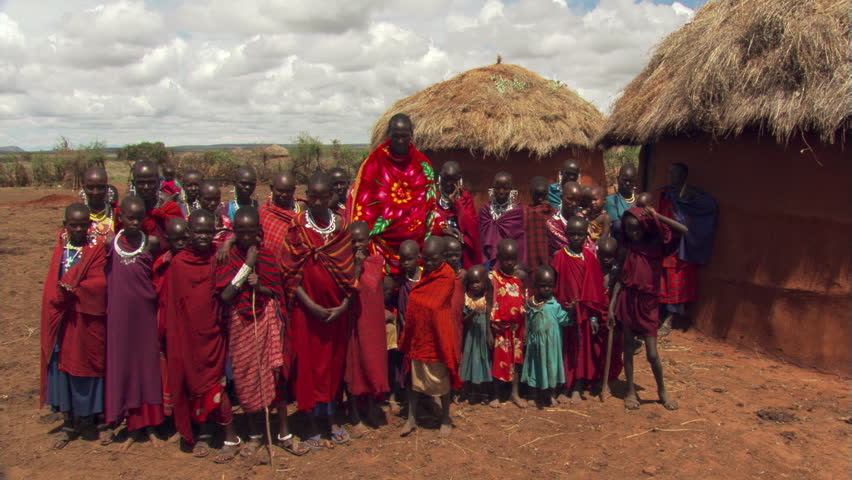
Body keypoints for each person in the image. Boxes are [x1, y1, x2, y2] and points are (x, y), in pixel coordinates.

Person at [217, 206, 308, 459]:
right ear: (234, 231)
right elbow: (226, 295)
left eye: (251, 231)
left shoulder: (267, 256)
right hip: (241, 324)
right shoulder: (227, 256)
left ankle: (284, 433)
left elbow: (277, 292)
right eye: (241, 232)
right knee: (246, 379)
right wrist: (247, 267)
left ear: (259, 230)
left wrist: (261, 287)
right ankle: (255, 435)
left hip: (266, 323)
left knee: (275, 376)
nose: (246, 237)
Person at [280, 173, 355, 449]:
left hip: (336, 312)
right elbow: (288, 271)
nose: (318, 202)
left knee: (333, 365)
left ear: (331, 196)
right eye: (313, 196)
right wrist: (311, 306)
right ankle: (310, 422)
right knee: (309, 367)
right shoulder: (297, 226)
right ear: (307, 195)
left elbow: (349, 269)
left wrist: (343, 305)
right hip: (307, 313)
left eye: (323, 197)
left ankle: (331, 419)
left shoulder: (342, 226)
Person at [165, 209, 239, 462]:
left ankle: (231, 436)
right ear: (189, 233)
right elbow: (174, 306)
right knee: (195, 387)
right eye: (198, 232)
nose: (204, 237)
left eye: (208, 232)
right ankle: (205, 433)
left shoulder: (219, 257)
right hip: (189, 336)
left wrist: (227, 243)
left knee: (216, 386)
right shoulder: (178, 264)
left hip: (214, 335)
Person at [40, 203, 108, 449]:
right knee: (62, 365)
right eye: (73, 225)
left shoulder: (97, 249)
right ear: (65, 225)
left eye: (82, 225)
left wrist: (74, 287)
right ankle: (69, 421)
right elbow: (52, 284)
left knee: (92, 363)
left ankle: (97, 418)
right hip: (64, 318)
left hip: (87, 319)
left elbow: (100, 283)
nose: (78, 229)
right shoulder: (60, 249)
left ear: (89, 226)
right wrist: (61, 294)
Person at [611, 206, 687, 411]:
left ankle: (662, 391)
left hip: (648, 303)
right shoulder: (628, 249)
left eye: (636, 229)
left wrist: (657, 215)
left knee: (652, 353)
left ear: (645, 227)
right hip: (628, 301)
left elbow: (683, 230)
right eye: (628, 229)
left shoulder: (656, 245)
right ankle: (630, 391)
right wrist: (612, 308)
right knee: (628, 348)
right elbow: (621, 281)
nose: (632, 233)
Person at [104, 196, 164, 448]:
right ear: (120, 217)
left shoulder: (151, 243)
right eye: (130, 218)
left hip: (145, 315)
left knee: (146, 367)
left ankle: (150, 424)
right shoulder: (110, 244)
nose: (135, 223)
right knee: (125, 366)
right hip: (119, 317)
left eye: (139, 218)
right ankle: (131, 426)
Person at [348, 114, 439, 274]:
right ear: (388, 134)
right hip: (382, 247)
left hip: (416, 247)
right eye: (396, 136)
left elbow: (430, 205)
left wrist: (440, 226)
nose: (400, 141)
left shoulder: (423, 164)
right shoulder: (374, 163)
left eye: (404, 136)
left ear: (411, 135)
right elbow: (362, 207)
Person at [398, 236, 461, 437]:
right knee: (414, 380)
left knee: (441, 380)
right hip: (419, 336)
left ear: (442, 257)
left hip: (438, 335)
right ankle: (411, 418)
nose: (429, 263)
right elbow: (417, 297)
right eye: (425, 259)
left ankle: (445, 418)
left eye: (433, 259)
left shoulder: (447, 276)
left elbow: (434, 304)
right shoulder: (426, 273)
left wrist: (418, 304)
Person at [551, 216, 612, 403]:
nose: (576, 238)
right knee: (564, 350)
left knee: (581, 350)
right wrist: (562, 305)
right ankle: (564, 387)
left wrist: (592, 317)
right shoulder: (559, 257)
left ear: (586, 235)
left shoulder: (590, 258)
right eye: (572, 234)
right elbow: (553, 285)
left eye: (580, 234)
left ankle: (577, 386)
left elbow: (595, 290)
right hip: (564, 313)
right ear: (566, 234)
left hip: (584, 314)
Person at [657, 163, 718, 335]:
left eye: (675, 174)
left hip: (682, 246)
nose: (671, 177)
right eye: (670, 173)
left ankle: (670, 319)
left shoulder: (691, 195)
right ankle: (662, 315)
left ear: (684, 176)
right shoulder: (667, 194)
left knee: (676, 282)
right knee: (664, 281)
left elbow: (692, 219)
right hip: (666, 243)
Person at [345, 221, 390, 436]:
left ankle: (372, 407)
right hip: (352, 325)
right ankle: (354, 414)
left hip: (372, 324)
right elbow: (348, 290)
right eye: (352, 241)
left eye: (361, 240)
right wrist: (355, 266)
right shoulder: (343, 266)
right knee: (354, 367)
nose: (357, 245)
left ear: (369, 240)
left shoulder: (376, 262)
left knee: (372, 365)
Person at [152, 218, 190, 426]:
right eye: (176, 239)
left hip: (191, 327)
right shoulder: (162, 264)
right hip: (167, 326)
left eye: (184, 238)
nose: (181, 243)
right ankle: (172, 418)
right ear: (168, 239)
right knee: (168, 371)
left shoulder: (197, 261)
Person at [522, 265, 572, 407]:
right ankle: (532, 395)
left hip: (551, 345)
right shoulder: (530, 303)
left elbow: (565, 320)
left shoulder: (555, 305)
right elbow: (526, 319)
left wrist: (573, 311)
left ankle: (549, 395)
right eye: (543, 285)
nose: (547, 289)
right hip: (535, 343)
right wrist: (526, 333)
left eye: (550, 286)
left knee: (550, 368)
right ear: (536, 285)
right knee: (534, 367)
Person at [488, 239, 526, 409]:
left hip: (517, 329)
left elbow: (523, 304)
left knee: (516, 363)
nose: (509, 262)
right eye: (506, 259)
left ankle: (514, 393)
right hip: (500, 330)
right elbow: (489, 304)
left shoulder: (519, 279)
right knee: (499, 362)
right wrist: (488, 331)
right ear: (498, 258)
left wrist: (526, 329)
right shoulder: (493, 278)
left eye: (513, 259)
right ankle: (496, 395)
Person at [128, 160, 183, 254]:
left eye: (151, 182)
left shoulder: (169, 207)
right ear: (133, 183)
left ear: (158, 182)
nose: (146, 187)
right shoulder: (128, 210)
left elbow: (182, 239)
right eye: (141, 182)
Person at [435, 161, 482, 268]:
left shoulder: (465, 197)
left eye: (452, 180)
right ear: (440, 178)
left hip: (461, 248)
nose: (448, 184)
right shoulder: (434, 197)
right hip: (440, 246)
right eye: (446, 179)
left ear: (459, 180)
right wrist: (445, 229)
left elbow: (471, 226)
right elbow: (430, 220)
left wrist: (456, 204)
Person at [480, 172, 526, 270]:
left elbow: (520, 242)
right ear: (493, 189)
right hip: (489, 260)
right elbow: (482, 238)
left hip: (510, 262)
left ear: (511, 189)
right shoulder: (486, 210)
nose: (501, 192)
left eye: (505, 188)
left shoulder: (517, 212)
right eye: (498, 188)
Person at [460, 265, 492, 404]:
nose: (475, 285)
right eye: (472, 282)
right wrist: (473, 312)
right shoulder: (467, 299)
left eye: (478, 282)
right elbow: (464, 320)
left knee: (484, 362)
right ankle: (473, 392)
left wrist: (489, 334)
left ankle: (485, 392)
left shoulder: (488, 298)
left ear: (484, 282)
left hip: (483, 336)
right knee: (472, 362)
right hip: (471, 338)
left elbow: (490, 318)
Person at [259, 173, 307, 260]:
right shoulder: (264, 211)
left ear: (294, 190)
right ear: (272, 188)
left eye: (288, 191)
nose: (284, 195)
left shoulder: (301, 208)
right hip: (267, 262)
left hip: (294, 262)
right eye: (280, 191)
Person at [525, 176, 557, 273]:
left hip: (534, 263)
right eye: (537, 195)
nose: (540, 199)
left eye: (542, 195)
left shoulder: (525, 213)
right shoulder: (555, 214)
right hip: (547, 265)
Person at [547, 181, 584, 257]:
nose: (574, 203)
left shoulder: (581, 218)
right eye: (570, 199)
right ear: (561, 197)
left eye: (577, 200)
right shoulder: (553, 224)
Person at [80, 166, 116, 242]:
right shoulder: (77, 216)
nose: (95, 192)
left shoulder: (117, 215)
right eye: (90, 187)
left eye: (100, 187)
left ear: (107, 188)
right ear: (84, 188)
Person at [605, 164, 638, 237]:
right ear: (618, 179)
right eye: (624, 180)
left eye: (631, 181)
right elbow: (616, 226)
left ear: (635, 181)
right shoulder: (611, 200)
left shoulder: (640, 200)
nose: (627, 183)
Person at [197, 181, 232, 248]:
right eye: (208, 199)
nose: (213, 203)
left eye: (216, 199)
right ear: (199, 198)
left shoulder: (225, 223)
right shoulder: (190, 221)